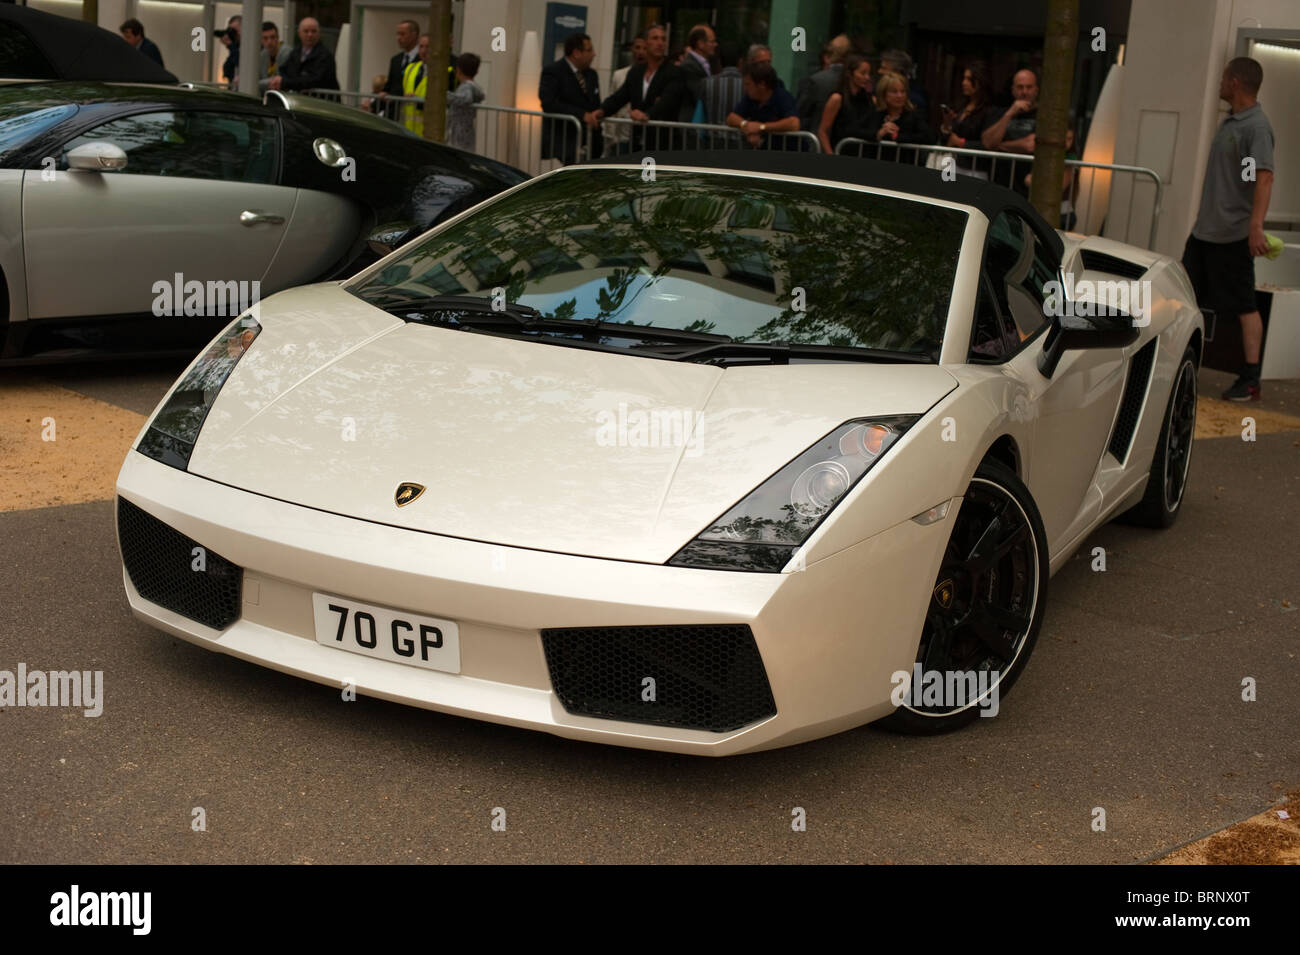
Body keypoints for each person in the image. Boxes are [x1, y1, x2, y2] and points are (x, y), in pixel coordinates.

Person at [1183, 57, 1275, 401]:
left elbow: (1262, 178)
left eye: (1223, 78)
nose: (1220, 84)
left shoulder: (1256, 128)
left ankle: (1250, 379)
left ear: (1235, 83)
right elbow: (1246, 177)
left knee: (1244, 304)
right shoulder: (1231, 123)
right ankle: (1180, 360)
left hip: (1231, 235)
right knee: (1185, 296)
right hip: (1205, 232)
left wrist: (1255, 225)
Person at [594, 24, 687, 152]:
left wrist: (647, 115)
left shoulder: (674, 72)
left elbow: (668, 101)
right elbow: (620, 96)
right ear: (646, 43)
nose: (660, 43)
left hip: (663, 143)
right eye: (655, 38)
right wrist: (602, 110)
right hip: (638, 142)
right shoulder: (636, 72)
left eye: (663, 39)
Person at [540, 32, 602, 164]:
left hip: (590, 142)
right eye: (589, 50)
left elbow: (595, 103)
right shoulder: (553, 71)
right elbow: (548, 103)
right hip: (565, 141)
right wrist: (581, 115)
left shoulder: (592, 75)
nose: (593, 54)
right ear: (576, 53)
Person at [939, 62, 994, 178]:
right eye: (964, 78)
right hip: (954, 164)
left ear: (980, 82)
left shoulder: (989, 110)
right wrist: (947, 125)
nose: (964, 83)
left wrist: (961, 143)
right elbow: (948, 137)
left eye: (969, 79)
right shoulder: (961, 105)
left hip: (975, 169)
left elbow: (988, 143)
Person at [726, 62, 800, 150]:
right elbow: (731, 118)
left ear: (762, 85)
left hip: (787, 152)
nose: (745, 88)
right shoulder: (750, 98)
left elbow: (794, 123)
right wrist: (746, 125)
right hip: (765, 151)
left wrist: (762, 127)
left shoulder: (782, 96)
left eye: (748, 84)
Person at [866, 70, 932, 162]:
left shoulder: (914, 115)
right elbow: (854, 130)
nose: (899, 96)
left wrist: (897, 136)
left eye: (903, 91)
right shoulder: (876, 114)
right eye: (894, 92)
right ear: (884, 94)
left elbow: (928, 137)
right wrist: (879, 133)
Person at [817, 53, 873, 154]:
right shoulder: (837, 98)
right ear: (849, 73)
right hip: (841, 152)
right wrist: (831, 155)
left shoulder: (869, 100)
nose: (867, 77)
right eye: (863, 73)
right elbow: (823, 131)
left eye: (868, 73)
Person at [796, 33, 850, 133]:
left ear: (827, 56)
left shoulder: (814, 81)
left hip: (814, 139)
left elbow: (801, 114)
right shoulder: (852, 80)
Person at [269, 18, 340, 92]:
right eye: (306, 31)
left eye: (314, 31)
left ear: (319, 34)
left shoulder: (325, 56)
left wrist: (285, 82)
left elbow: (314, 80)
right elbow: (285, 70)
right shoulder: (295, 52)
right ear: (299, 33)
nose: (310, 35)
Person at [605, 35, 646, 153]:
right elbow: (612, 100)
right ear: (632, 49)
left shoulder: (652, 76)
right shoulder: (619, 75)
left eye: (644, 48)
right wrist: (610, 135)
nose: (641, 52)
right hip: (621, 135)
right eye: (637, 47)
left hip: (640, 134)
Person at [982, 68, 1038, 153]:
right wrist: (1009, 114)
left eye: (1029, 87)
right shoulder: (1000, 113)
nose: (1024, 92)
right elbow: (988, 143)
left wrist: (998, 145)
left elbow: (1030, 146)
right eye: (1020, 87)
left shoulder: (1042, 116)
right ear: (1013, 90)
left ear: (1036, 90)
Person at [446, 53, 485, 151]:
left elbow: (466, 99)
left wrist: (446, 95)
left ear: (458, 70)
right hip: (465, 130)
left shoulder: (466, 87)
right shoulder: (472, 87)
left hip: (460, 132)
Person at [677, 24, 716, 122]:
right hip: (692, 123)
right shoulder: (689, 66)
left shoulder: (708, 64)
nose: (715, 45)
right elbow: (699, 93)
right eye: (712, 42)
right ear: (700, 44)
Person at [702, 43, 745, 127]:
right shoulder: (749, 85)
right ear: (740, 62)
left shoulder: (707, 83)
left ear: (720, 61)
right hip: (740, 137)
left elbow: (701, 113)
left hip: (712, 137)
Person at [400, 34, 430, 135]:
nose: (423, 51)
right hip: (409, 129)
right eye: (421, 46)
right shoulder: (410, 68)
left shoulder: (440, 74)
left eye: (427, 47)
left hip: (428, 131)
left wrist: (417, 100)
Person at [258, 22, 291, 91]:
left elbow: (278, 80)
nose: (269, 42)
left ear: (278, 38)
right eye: (265, 38)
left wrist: (258, 83)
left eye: (272, 37)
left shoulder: (287, 53)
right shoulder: (263, 54)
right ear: (261, 40)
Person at [217, 16, 241, 88]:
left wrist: (231, 46)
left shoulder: (249, 48)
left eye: (234, 30)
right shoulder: (236, 46)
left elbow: (239, 62)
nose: (232, 34)